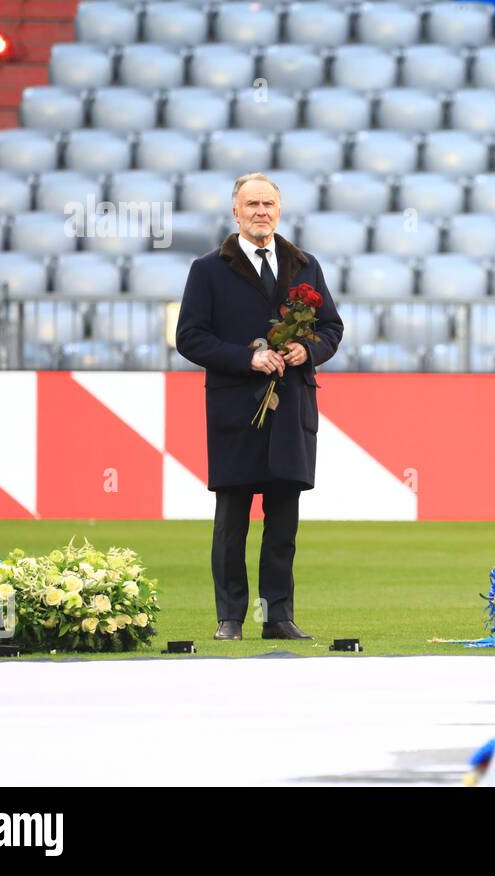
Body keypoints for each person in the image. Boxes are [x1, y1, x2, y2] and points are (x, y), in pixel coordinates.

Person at [175, 173, 343, 641]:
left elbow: (331, 327)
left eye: (268, 203)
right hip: (235, 412)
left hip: (290, 412)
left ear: (279, 210)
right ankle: (229, 618)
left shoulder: (305, 264)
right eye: (252, 204)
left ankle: (277, 616)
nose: (261, 211)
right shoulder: (207, 269)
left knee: (283, 524)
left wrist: (306, 351)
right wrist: (247, 358)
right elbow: (189, 337)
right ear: (236, 212)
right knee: (231, 523)